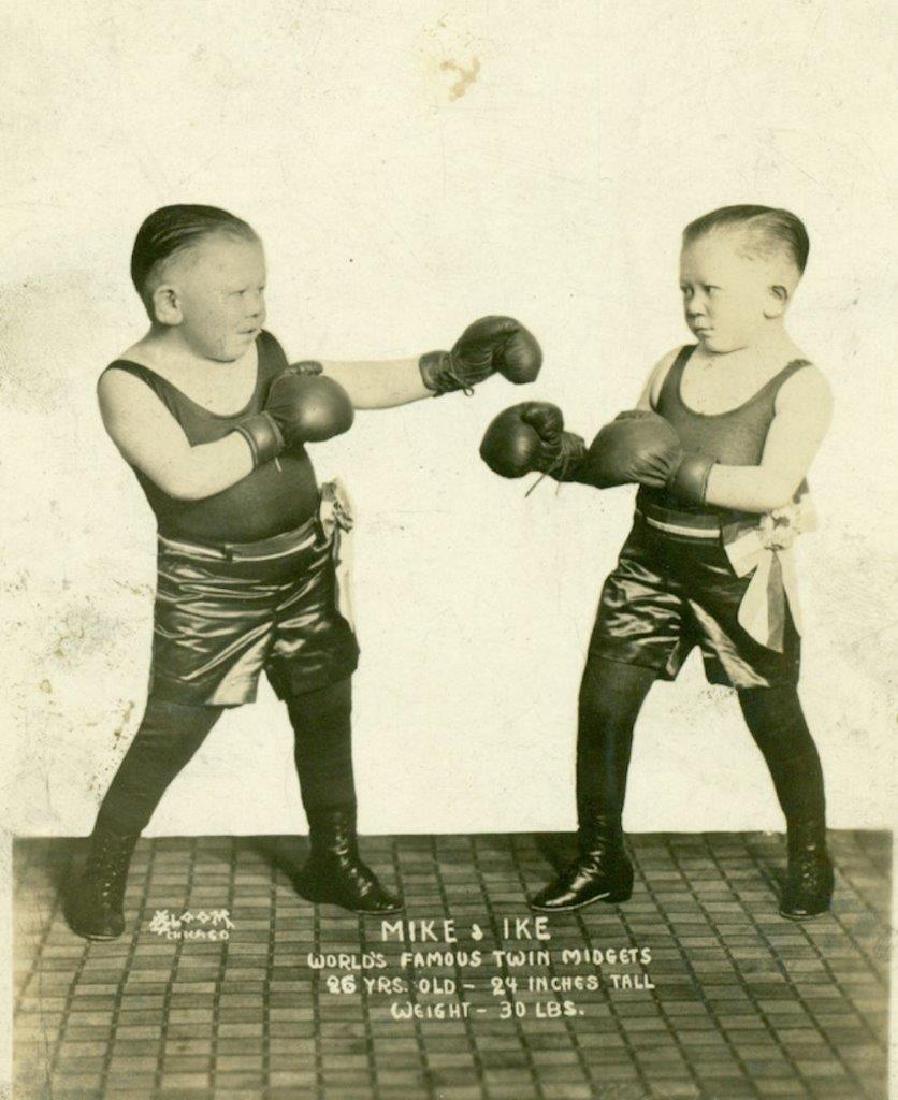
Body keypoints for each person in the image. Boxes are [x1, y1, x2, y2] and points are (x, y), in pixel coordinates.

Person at [67, 203, 541, 940]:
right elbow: (184, 475)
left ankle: (335, 857)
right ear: (169, 302)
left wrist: (447, 369)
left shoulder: (266, 353)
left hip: (301, 565)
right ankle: (99, 871)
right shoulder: (129, 382)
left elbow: (350, 381)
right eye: (235, 293)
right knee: (171, 731)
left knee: (325, 713)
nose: (256, 306)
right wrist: (274, 428)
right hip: (211, 588)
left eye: (261, 288)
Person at [480, 205, 834, 920]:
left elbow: (769, 487)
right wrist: (563, 457)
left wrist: (679, 470)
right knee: (603, 703)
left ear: (777, 296)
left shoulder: (800, 384)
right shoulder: (671, 366)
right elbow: (626, 457)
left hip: (735, 569)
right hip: (650, 560)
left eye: (711, 290)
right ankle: (602, 857)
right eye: (685, 290)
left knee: (772, 713)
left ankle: (809, 852)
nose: (694, 307)